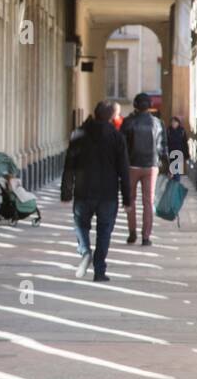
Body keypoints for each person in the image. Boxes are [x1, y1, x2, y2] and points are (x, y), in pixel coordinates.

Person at [60, 99, 132, 282]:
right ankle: (99, 271)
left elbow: (69, 165)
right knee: (104, 231)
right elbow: (123, 169)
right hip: (108, 193)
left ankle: (85, 251)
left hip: (84, 190)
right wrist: (127, 199)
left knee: (80, 224)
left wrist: (66, 191)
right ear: (110, 117)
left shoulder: (78, 134)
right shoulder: (116, 137)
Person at [120, 92, 167, 246]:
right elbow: (163, 147)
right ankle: (146, 236)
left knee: (130, 199)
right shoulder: (158, 123)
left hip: (132, 166)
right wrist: (171, 168)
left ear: (135, 105)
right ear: (150, 106)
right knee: (148, 202)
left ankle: (132, 232)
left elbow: (121, 147)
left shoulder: (128, 122)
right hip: (151, 166)